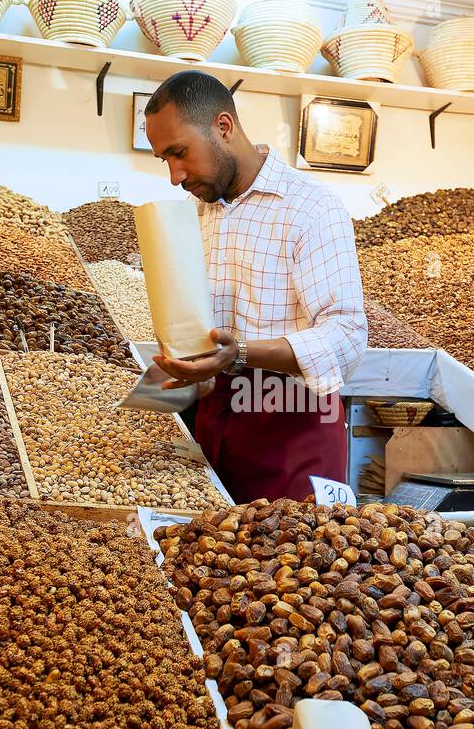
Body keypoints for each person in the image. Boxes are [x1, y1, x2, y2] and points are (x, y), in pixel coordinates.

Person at [145, 70, 367, 504]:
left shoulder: (311, 207)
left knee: (292, 565)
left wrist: (241, 353)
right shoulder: (198, 211)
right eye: (164, 160)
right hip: (217, 423)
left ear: (223, 127)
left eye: (179, 152)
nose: (174, 175)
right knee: (212, 565)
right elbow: (202, 328)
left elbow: (347, 336)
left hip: (294, 427)